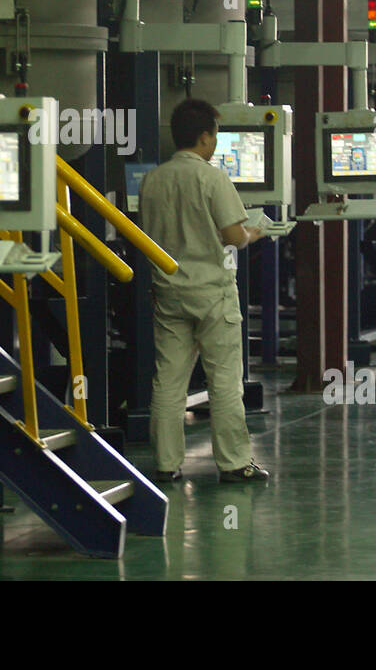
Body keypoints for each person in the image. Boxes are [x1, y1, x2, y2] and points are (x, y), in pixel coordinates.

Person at [138, 98, 270, 483]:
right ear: (204, 137)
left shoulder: (153, 180)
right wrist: (254, 233)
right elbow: (232, 236)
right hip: (212, 292)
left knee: (169, 380)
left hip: (169, 291)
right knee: (224, 380)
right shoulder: (212, 178)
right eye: (214, 135)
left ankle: (165, 464)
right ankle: (233, 463)